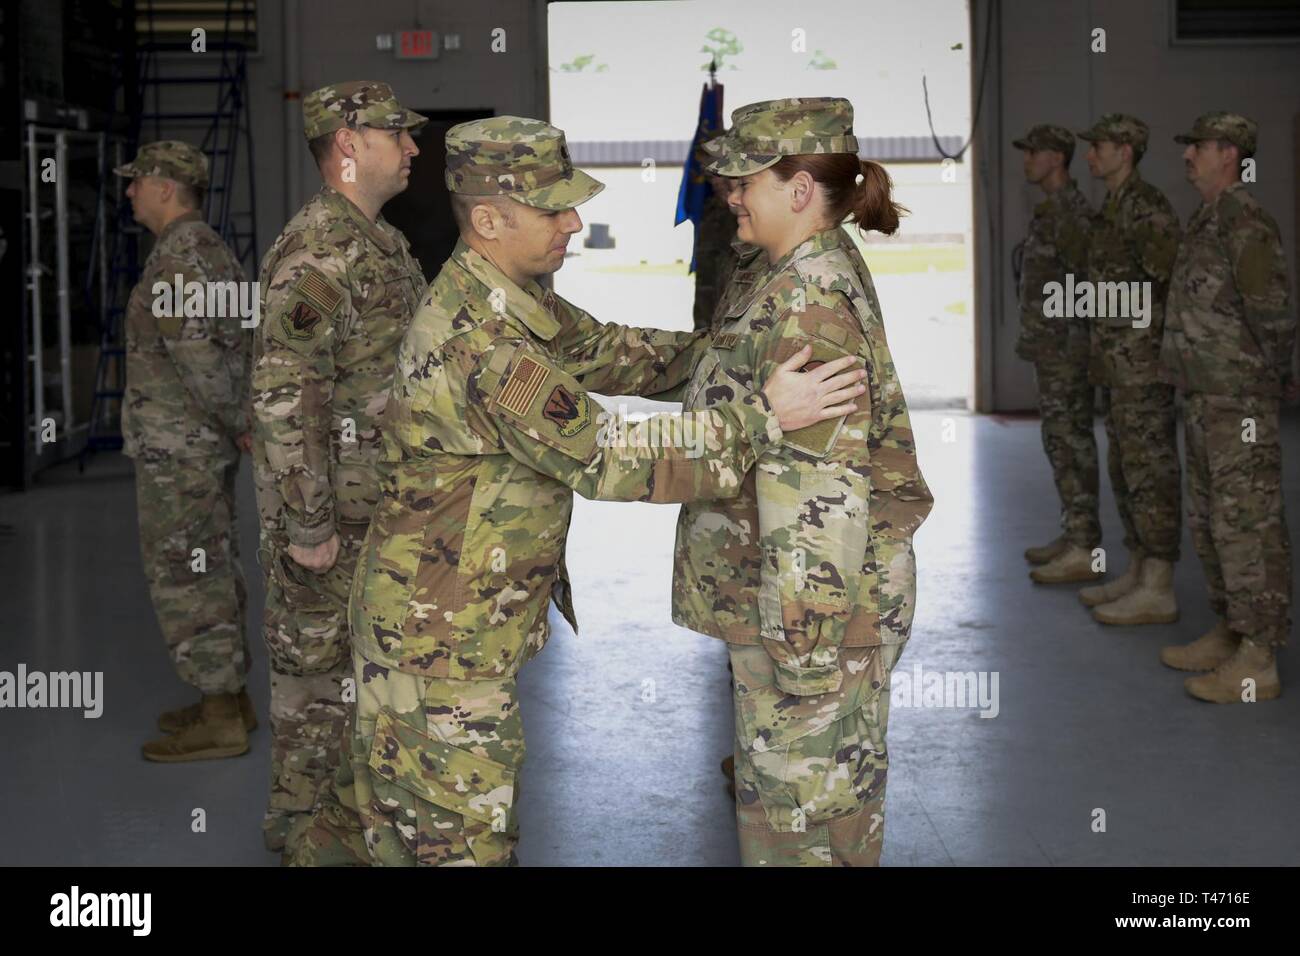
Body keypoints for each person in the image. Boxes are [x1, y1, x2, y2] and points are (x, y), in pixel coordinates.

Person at [342, 115, 866, 866]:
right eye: (553, 207)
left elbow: (612, 351)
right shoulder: (479, 341)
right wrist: (761, 416)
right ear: (489, 218)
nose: (574, 222)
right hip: (438, 649)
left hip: (453, 630)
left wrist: (732, 356)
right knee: (457, 847)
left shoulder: (512, 301)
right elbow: (607, 455)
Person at [672, 97, 934, 866]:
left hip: (808, 617)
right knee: (814, 822)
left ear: (795, 191)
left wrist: (804, 655)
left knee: (802, 833)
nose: (730, 195)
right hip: (793, 607)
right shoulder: (791, 268)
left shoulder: (807, 300)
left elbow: (818, 498)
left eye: (743, 181)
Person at [251, 80, 426, 856]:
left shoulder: (378, 240)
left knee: (359, 692)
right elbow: (285, 393)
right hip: (331, 525)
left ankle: (345, 834)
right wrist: (309, 524)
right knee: (315, 693)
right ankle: (300, 841)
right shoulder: (320, 250)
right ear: (349, 143)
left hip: (375, 514)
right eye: (399, 132)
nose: (414, 146)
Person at [114, 141, 254, 763]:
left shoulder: (178, 259)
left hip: (182, 451)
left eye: (137, 182)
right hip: (199, 445)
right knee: (211, 564)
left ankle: (221, 712)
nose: (129, 192)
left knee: (187, 574)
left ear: (167, 187)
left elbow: (200, 358)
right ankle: (228, 699)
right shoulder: (209, 250)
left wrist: (236, 421)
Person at [1159, 112, 1294, 702]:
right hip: (1204, 396)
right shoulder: (1207, 218)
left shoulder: (1246, 221)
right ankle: (1231, 630)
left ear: (1229, 151)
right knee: (1211, 520)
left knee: (1247, 523)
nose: (1188, 155)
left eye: (1198, 146)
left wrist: (1278, 375)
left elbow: (1274, 311)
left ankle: (1259, 656)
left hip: (1239, 401)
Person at [1076, 114, 1182, 625]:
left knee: (1151, 472)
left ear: (1126, 150)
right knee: (1125, 470)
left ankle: (1160, 583)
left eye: (1098, 146)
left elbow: (1173, 285)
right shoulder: (1112, 208)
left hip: (1143, 368)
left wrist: (1166, 353)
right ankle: (1140, 569)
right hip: (1117, 368)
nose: (1090, 155)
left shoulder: (1147, 209)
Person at [1011, 124, 1101, 584]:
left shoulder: (1072, 215)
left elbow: (1092, 285)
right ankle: (1073, 534)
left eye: (1033, 152)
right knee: (1059, 443)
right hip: (1052, 349)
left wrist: (1073, 340)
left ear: (1056, 159)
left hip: (1068, 351)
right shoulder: (1050, 211)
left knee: (1073, 443)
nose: (1026, 160)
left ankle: (1086, 547)